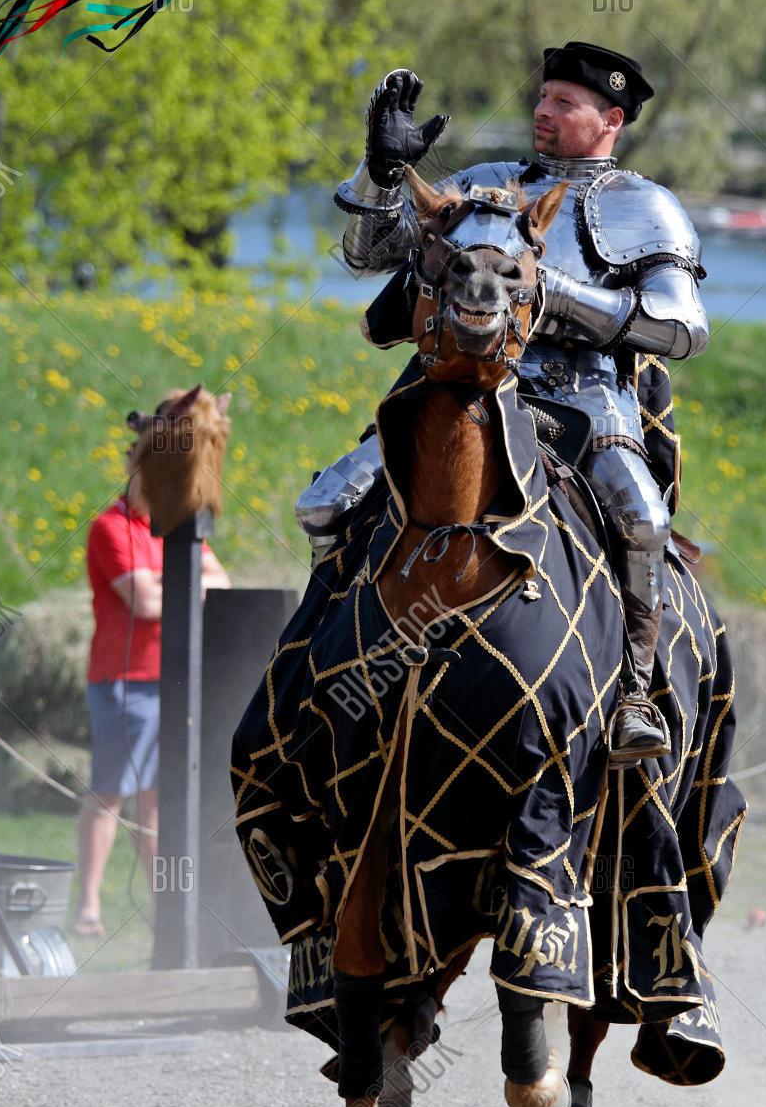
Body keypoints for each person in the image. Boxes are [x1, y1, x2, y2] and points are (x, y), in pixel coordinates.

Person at [299, 43, 708, 765]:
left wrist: (556, 295)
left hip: (586, 410)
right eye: (543, 98)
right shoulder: (488, 185)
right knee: (327, 505)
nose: (543, 111)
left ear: (611, 119)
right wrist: (384, 172)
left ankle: (636, 696)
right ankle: (315, 659)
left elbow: (682, 328)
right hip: (459, 392)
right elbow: (367, 255)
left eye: (564, 103)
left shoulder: (645, 206)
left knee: (644, 520)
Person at [72, 418, 230, 937]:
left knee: (160, 801)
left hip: (171, 680)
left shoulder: (172, 525)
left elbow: (220, 582)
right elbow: (142, 603)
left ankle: (166, 908)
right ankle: (88, 906)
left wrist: (167, 583)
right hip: (124, 681)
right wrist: (179, 584)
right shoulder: (110, 528)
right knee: (111, 794)